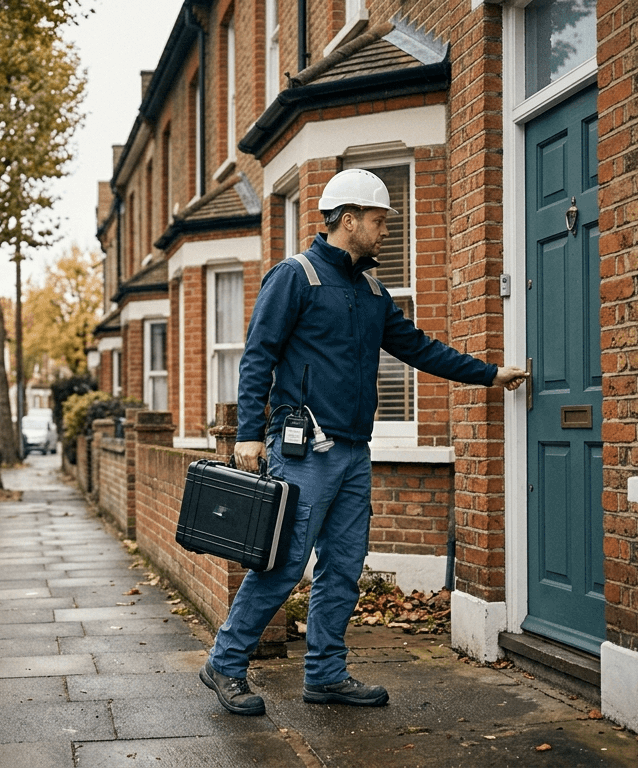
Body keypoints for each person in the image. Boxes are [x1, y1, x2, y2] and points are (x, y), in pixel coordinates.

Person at [200, 168, 529, 715]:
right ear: (346, 219)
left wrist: (490, 374)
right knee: (283, 565)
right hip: (303, 451)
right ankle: (226, 662)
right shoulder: (295, 277)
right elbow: (258, 354)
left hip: (354, 453)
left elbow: (421, 349)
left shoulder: (372, 290)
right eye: (378, 220)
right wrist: (250, 435)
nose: (385, 231)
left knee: (345, 568)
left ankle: (325, 674)